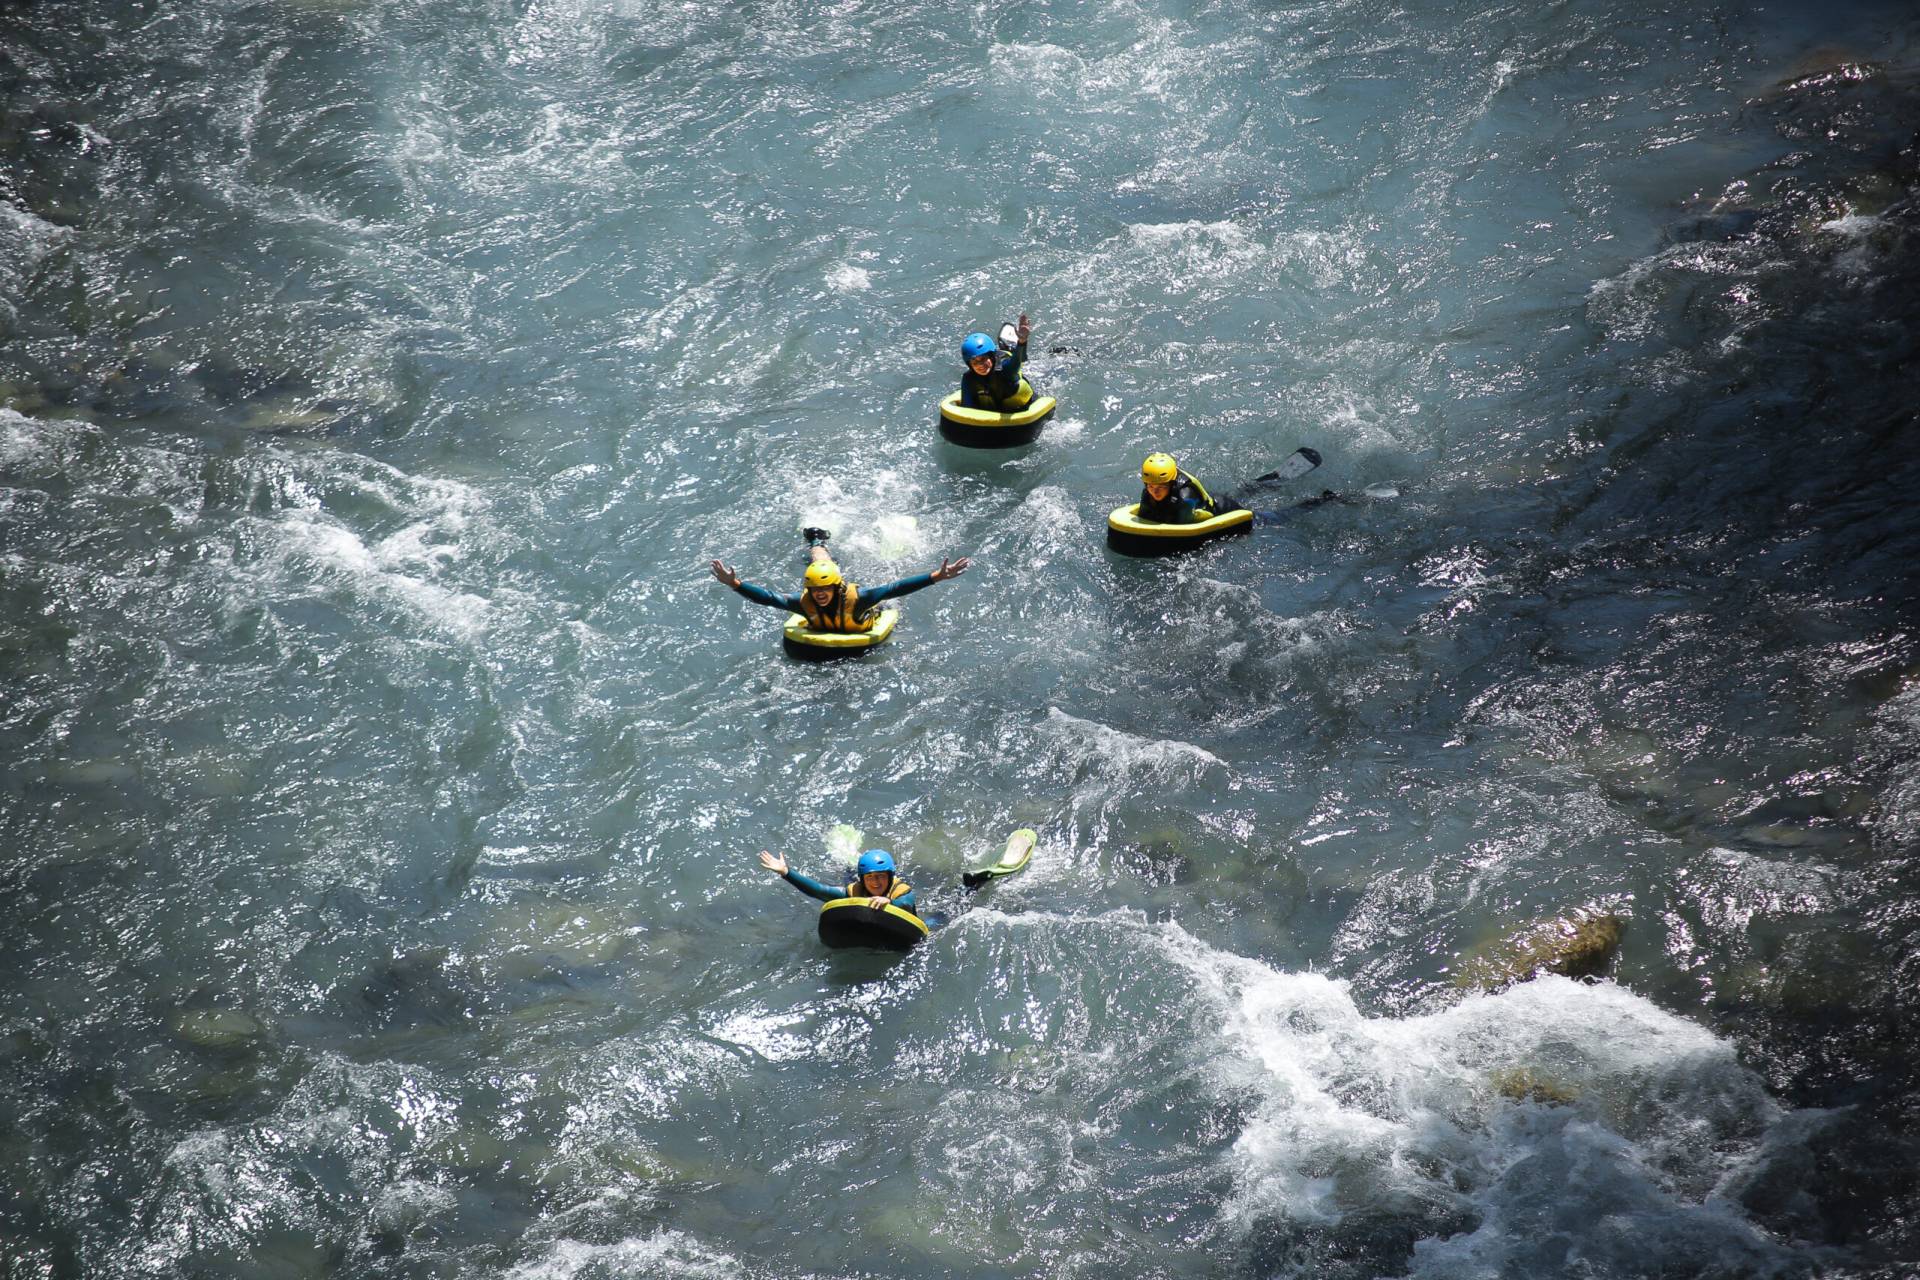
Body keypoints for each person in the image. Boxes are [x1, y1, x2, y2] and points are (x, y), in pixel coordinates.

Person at [709, 530, 971, 633]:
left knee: (828, 571)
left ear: (836, 587)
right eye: (815, 590)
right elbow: (769, 598)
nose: (820, 594)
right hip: (826, 596)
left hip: (865, 618)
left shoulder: (860, 599)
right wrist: (736, 584)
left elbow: (896, 588)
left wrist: (936, 576)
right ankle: (817, 541)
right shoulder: (803, 602)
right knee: (818, 565)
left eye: (825, 589)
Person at [757, 847, 918, 914]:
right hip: (858, 890)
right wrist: (786, 872)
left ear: (889, 877)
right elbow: (819, 891)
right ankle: (846, 854)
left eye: (881, 876)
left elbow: (905, 904)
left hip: (899, 910)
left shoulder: (903, 892)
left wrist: (888, 902)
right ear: (862, 879)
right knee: (847, 873)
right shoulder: (854, 891)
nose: (875, 882)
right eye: (869, 877)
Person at [1136, 452, 1242, 524]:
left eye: (1161, 487)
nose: (1155, 491)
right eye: (1150, 486)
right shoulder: (1148, 492)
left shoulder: (1185, 497)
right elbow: (1143, 518)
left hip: (1224, 509)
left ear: (1172, 484)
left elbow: (1181, 528)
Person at [959, 314, 1037, 411]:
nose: (980, 365)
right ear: (969, 365)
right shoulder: (968, 379)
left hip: (1020, 408)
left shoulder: (1005, 370)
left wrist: (1022, 341)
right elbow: (966, 408)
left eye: (983, 359)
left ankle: (1013, 346)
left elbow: (1015, 363)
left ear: (991, 357)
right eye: (975, 362)